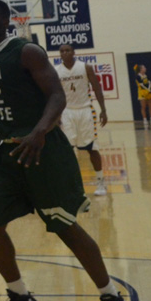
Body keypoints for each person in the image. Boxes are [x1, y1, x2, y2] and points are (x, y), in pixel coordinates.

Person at [0, 0, 134, 301]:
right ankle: (21, 298)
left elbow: (57, 96)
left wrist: (39, 131)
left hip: (41, 150)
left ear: (6, 20)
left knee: (65, 228)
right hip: (1, 154)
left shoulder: (28, 52)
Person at [54, 45, 109, 197]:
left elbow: (97, 88)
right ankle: (70, 184)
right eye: (62, 51)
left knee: (92, 148)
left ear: (73, 52)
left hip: (85, 110)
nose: (64, 53)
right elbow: (55, 94)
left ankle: (101, 182)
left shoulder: (85, 67)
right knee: (67, 150)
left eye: (67, 50)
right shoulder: (57, 71)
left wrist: (103, 110)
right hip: (66, 112)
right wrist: (56, 115)